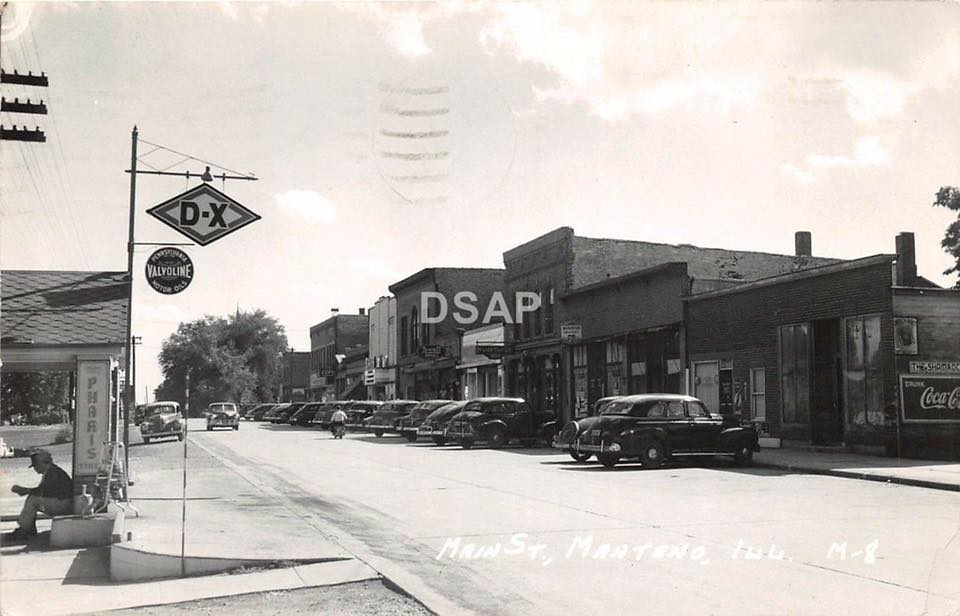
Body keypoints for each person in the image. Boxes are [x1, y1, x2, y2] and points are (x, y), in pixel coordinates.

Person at [5, 449, 74, 541]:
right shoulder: (53, 470)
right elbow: (44, 492)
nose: (35, 469)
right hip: (64, 502)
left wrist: (25, 490)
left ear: (41, 463)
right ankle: (28, 528)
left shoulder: (52, 472)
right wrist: (27, 491)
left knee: (33, 500)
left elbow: (44, 492)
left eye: (35, 466)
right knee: (33, 499)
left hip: (63, 504)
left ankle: (24, 530)